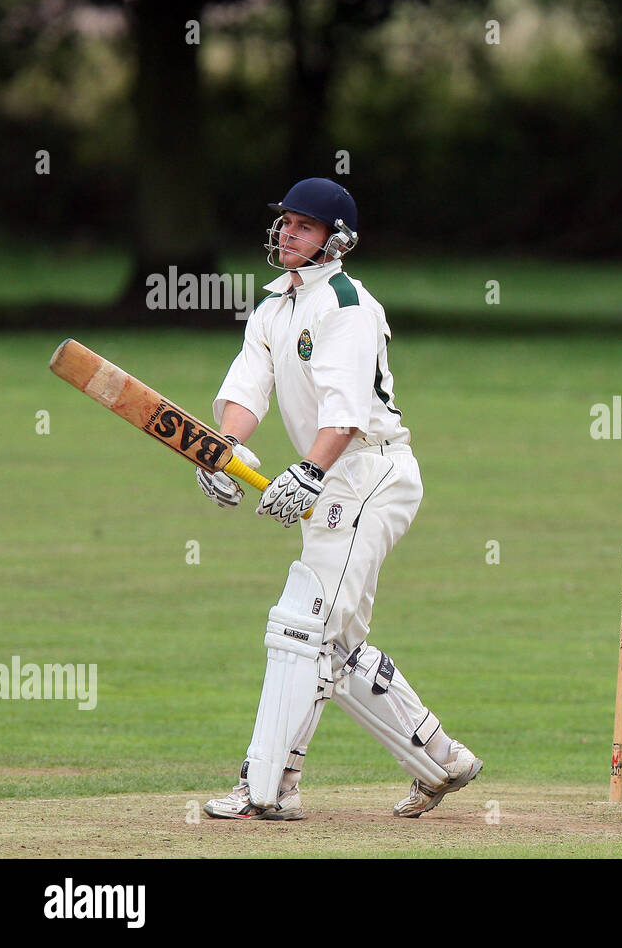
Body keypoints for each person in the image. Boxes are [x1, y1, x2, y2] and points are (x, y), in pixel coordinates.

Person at [199, 177, 482, 819]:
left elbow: (348, 413)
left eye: (303, 225)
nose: (287, 233)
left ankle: (267, 786)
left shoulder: (348, 306)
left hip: (370, 473)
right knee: (333, 642)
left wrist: (305, 473)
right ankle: (441, 760)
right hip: (331, 479)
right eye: (285, 223)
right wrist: (224, 452)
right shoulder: (273, 308)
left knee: (303, 624)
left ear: (337, 239)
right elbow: (247, 392)